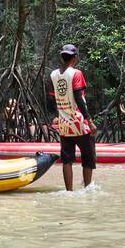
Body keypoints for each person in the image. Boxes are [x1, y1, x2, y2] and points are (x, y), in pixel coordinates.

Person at [47, 43, 96, 191]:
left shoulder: (53, 75)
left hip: (64, 124)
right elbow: (79, 99)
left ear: (62, 57)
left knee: (67, 159)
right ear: (74, 58)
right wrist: (90, 121)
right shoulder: (76, 73)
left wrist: (58, 115)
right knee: (88, 157)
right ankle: (87, 189)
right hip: (79, 123)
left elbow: (52, 99)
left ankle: (69, 191)